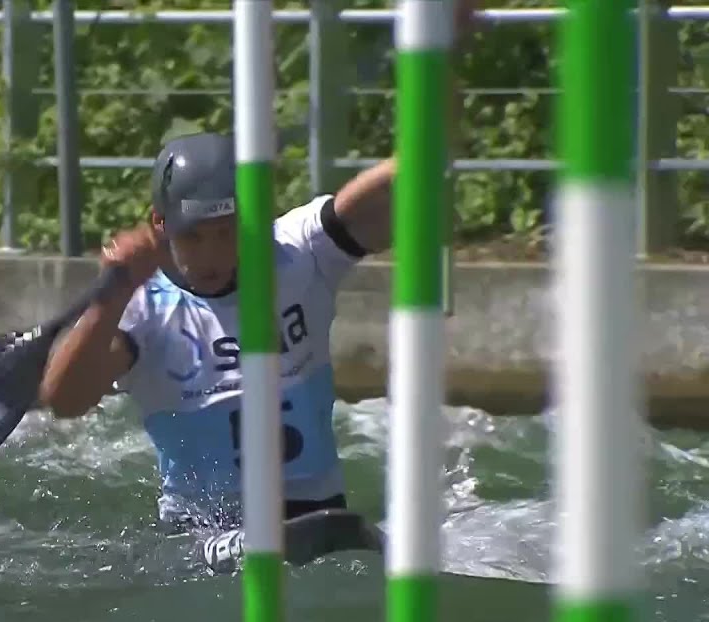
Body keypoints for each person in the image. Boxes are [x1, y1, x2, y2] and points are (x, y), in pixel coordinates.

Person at [37, 6, 473, 574]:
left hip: (318, 522)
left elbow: (420, 165)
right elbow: (63, 401)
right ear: (161, 224)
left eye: (228, 233)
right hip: (202, 539)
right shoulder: (142, 309)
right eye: (196, 237)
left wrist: (442, 58)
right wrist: (110, 296)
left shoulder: (302, 251)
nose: (214, 255)